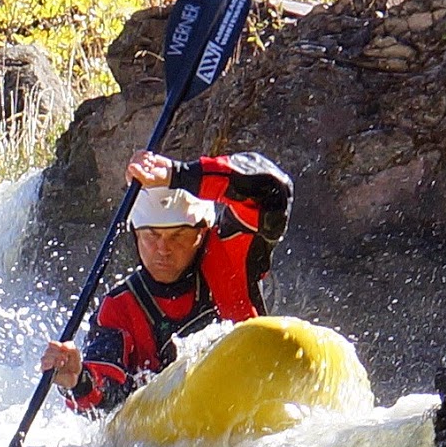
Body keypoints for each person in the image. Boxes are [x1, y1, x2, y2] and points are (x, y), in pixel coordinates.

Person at [39, 149, 292, 412]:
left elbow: (274, 191)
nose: (163, 249)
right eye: (151, 235)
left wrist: (178, 175)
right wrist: (79, 381)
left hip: (253, 391)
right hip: (180, 425)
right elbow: (107, 396)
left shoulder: (228, 257)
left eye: (178, 235)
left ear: (202, 232)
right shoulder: (119, 307)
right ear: (136, 235)